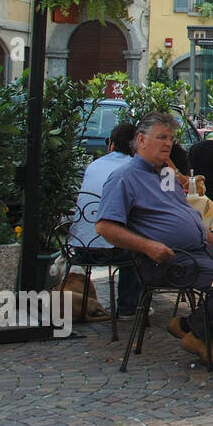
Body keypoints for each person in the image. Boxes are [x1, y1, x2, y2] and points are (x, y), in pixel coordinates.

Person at [94, 113, 213, 365]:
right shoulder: (124, 178)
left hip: (197, 251)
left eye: (171, 138)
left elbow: (186, 216)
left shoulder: (164, 175)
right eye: (161, 137)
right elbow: (104, 227)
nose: (168, 144)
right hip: (166, 260)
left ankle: (192, 327)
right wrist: (149, 246)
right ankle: (199, 335)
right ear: (141, 140)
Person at [70, 122, 141, 316]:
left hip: (79, 247)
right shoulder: (132, 169)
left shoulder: (93, 165)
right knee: (142, 249)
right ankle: (129, 307)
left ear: (111, 144)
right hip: (109, 250)